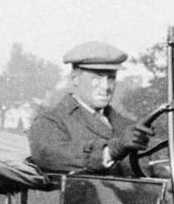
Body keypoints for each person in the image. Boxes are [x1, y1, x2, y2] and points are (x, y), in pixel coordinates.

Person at [27, 41, 152, 176]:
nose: (105, 87)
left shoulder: (127, 126)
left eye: (111, 78)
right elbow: (50, 156)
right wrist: (110, 151)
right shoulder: (50, 122)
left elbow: (150, 170)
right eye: (96, 78)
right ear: (75, 79)